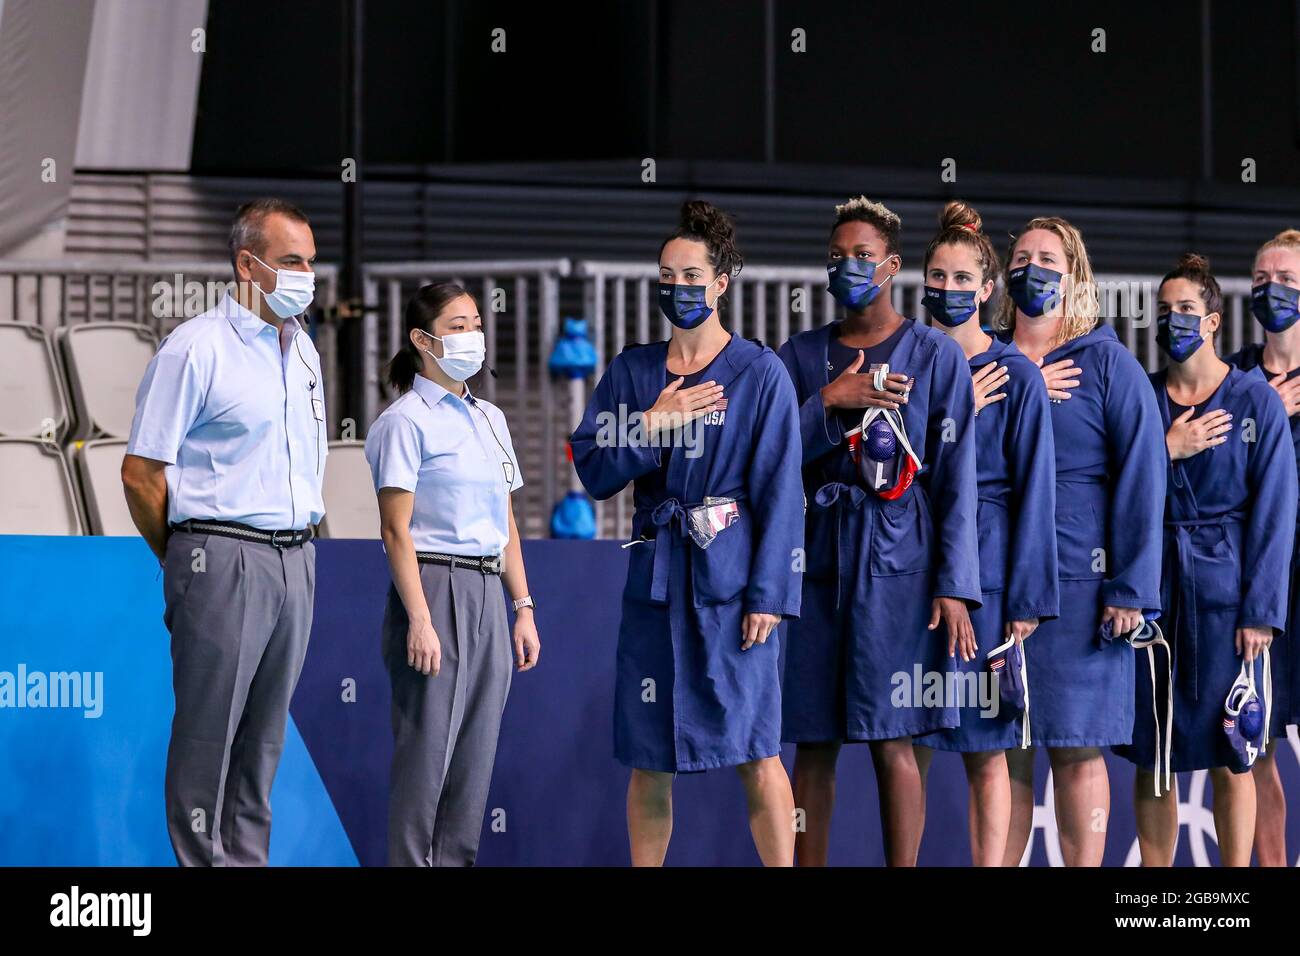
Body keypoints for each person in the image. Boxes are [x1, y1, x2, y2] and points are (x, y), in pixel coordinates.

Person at [570, 200, 804, 866]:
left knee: (758, 751)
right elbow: (591, 467)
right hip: (656, 588)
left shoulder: (761, 375)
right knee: (650, 758)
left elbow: (784, 493)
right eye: (666, 276)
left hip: (732, 592)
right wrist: (651, 423)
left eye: (692, 276)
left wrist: (770, 595)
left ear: (722, 281)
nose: (678, 288)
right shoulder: (633, 371)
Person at [121, 198, 326, 866]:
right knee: (210, 740)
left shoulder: (306, 353)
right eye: (292, 261)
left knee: (263, 744)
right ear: (247, 265)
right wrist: (187, 552)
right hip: (221, 552)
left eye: (311, 262)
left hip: (296, 558)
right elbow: (141, 472)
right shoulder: (195, 348)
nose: (307, 275)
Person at [778, 196, 982, 866]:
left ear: (892, 266)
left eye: (862, 257)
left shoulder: (935, 356)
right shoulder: (800, 355)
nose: (846, 267)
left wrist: (955, 587)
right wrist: (828, 404)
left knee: (895, 738)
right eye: (836, 257)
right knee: (812, 740)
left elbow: (956, 480)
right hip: (814, 564)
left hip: (899, 564)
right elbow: (765, 457)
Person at [1113, 253, 1295, 866]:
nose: (1174, 321)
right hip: (1156, 597)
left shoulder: (1256, 401)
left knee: (1235, 751)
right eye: (1165, 312)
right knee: (1154, 758)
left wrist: (1262, 612)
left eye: (1187, 310)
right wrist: (1163, 450)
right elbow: (1115, 498)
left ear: (1214, 321)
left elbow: (1275, 516)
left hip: (1229, 603)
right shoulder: (1139, 395)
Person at [997, 216, 1166, 868]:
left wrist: (1130, 586)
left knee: (1074, 749)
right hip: (996, 582)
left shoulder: (1108, 364)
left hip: (1081, 589)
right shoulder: (984, 357)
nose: (1032, 269)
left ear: (1075, 277)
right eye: (1022, 257)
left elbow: (1144, 479)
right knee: (1002, 748)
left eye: (1048, 259)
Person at [365, 281, 540, 867]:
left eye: (474, 323)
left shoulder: (490, 417)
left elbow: (506, 519)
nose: (471, 335)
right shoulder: (404, 421)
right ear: (423, 339)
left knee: (474, 756)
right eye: (456, 325)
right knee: (426, 757)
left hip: (489, 589)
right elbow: (396, 529)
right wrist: (419, 617)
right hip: (433, 585)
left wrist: (522, 607)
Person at [911, 201, 1059, 867]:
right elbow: (888, 471)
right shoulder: (905, 370)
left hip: (990, 584)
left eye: (962, 278)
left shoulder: (1020, 376)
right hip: (908, 573)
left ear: (988, 288)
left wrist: (1025, 599)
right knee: (904, 740)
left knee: (986, 749)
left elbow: (1036, 493)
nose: (948, 290)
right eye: (937, 277)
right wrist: (954, 412)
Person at [1225, 227, 1300, 866]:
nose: (1272, 289)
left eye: (1288, 280)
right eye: (1262, 279)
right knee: (1259, 740)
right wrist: (1266, 417)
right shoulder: (1239, 378)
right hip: (1259, 584)